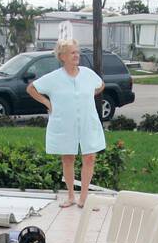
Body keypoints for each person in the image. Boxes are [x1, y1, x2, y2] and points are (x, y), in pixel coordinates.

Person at [27, 39, 106, 207]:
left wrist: (86, 96)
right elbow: (31, 89)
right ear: (62, 56)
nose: (76, 55)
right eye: (72, 52)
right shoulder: (54, 78)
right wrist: (47, 103)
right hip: (65, 123)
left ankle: (83, 198)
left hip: (87, 121)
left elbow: (100, 85)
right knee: (68, 158)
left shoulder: (87, 74)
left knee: (90, 157)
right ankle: (71, 196)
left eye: (77, 52)